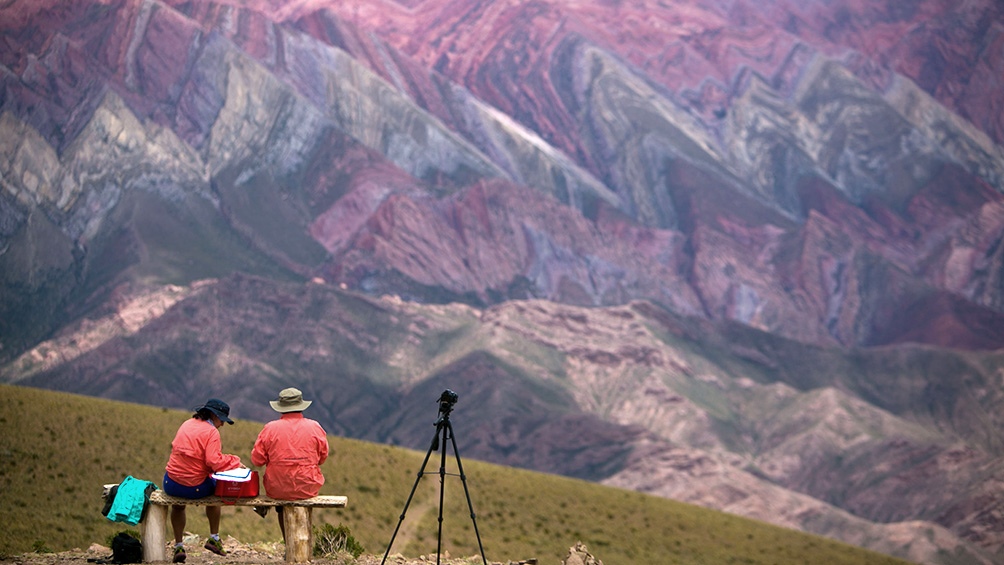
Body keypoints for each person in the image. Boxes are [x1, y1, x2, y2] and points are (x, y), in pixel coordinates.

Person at [163, 398, 243, 563]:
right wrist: (235, 461)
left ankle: (178, 545)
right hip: (194, 487)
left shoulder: (186, 424)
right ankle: (214, 537)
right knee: (217, 490)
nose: (222, 424)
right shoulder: (212, 432)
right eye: (221, 419)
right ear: (214, 415)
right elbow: (213, 462)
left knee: (178, 505)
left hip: (171, 484)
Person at [251, 387, 330, 542]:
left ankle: (288, 543)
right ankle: (303, 544)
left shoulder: (270, 428)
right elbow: (322, 458)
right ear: (301, 405)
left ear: (281, 407)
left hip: (277, 487)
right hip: (308, 486)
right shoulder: (315, 427)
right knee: (302, 499)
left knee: (281, 503)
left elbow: (257, 460)